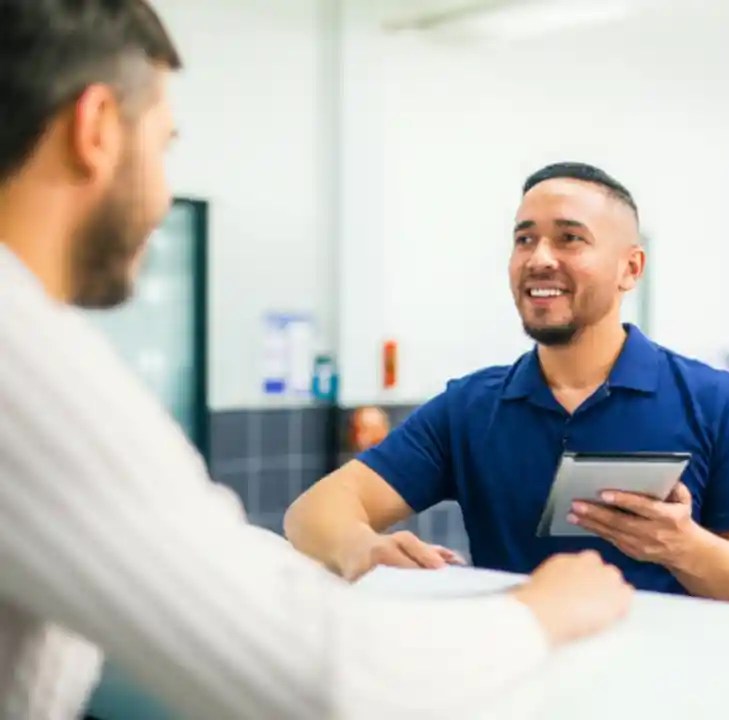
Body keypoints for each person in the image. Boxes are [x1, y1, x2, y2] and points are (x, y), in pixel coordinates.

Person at [0, 2, 632, 719]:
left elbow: (193, 551)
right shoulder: (20, 354)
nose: (163, 189)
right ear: (97, 130)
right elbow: (324, 676)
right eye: (163, 144)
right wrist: (541, 611)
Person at [285, 162, 729, 608]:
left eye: (570, 238)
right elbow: (313, 512)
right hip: (516, 677)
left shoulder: (716, 403)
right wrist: (362, 549)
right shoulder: (468, 409)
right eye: (524, 238)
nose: (539, 258)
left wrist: (682, 545)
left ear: (630, 268)